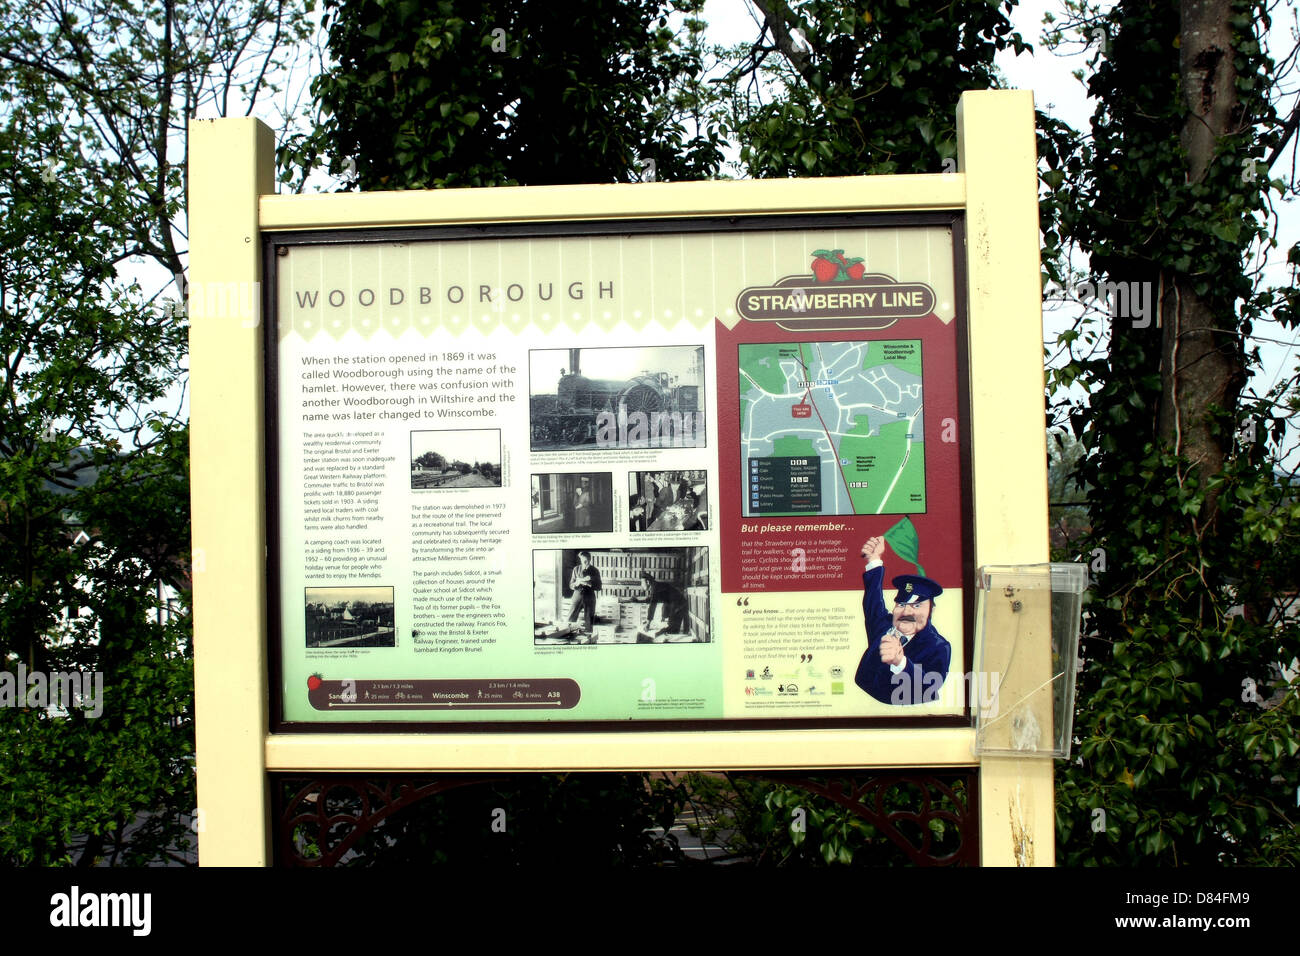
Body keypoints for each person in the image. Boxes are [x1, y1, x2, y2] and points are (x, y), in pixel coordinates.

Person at [854, 536, 951, 705]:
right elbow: (873, 600)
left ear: (931, 610)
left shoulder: (939, 647)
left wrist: (901, 662)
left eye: (916, 605)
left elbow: (930, 686)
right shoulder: (884, 625)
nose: (906, 611)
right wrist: (874, 560)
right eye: (901, 604)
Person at [640, 570, 690, 636]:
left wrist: (648, 623)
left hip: (679, 606)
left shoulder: (655, 588)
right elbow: (665, 600)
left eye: (642, 583)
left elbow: (652, 606)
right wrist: (664, 616)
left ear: (648, 582)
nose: (641, 585)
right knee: (671, 629)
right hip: (676, 605)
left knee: (673, 632)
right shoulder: (655, 586)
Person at [566, 551, 602, 632]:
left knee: (589, 621)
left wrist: (589, 584)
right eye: (583, 561)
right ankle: (568, 634)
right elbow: (571, 585)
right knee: (570, 619)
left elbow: (599, 587)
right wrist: (576, 583)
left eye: (586, 561)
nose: (585, 563)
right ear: (580, 559)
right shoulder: (576, 569)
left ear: (590, 559)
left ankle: (588, 640)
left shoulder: (595, 570)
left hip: (589, 597)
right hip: (577, 595)